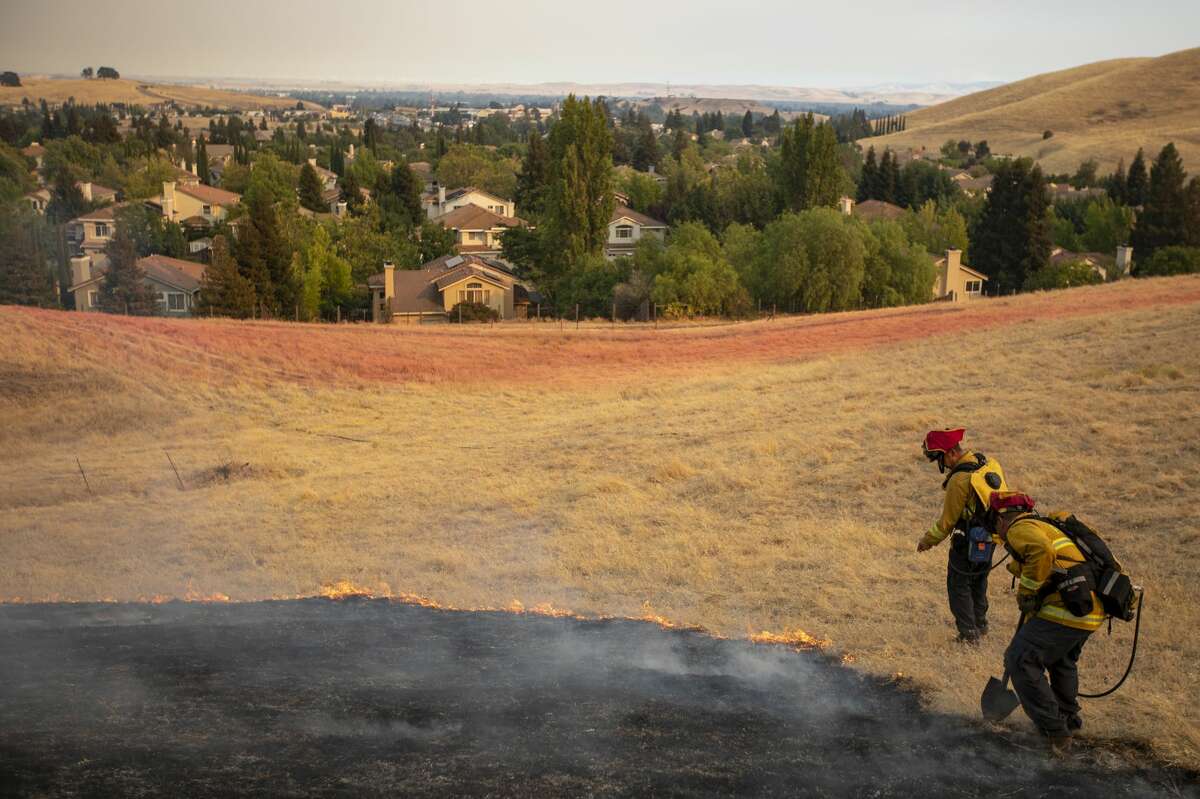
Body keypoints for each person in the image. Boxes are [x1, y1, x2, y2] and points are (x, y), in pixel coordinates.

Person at [987, 491, 1106, 756]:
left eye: (995, 522)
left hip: (1067, 608)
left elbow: (1041, 551)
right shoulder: (1045, 525)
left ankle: (1055, 733)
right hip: (1089, 609)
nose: (996, 529)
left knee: (1020, 659)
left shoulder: (1020, 528)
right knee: (1060, 660)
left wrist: (1027, 592)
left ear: (1002, 519)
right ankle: (1068, 721)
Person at [917, 428, 1007, 643]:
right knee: (978, 581)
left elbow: (946, 522)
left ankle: (968, 635)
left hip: (967, 539)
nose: (941, 465)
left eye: (939, 459)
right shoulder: (984, 462)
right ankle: (981, 625)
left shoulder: (959, 480)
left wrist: (926, 541)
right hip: (990, 537)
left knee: (958, 585)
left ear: (950, 453)